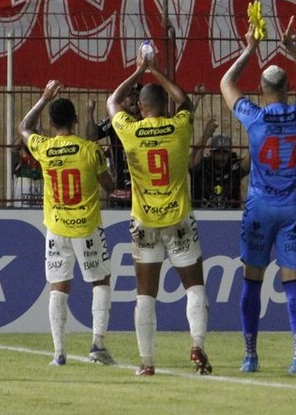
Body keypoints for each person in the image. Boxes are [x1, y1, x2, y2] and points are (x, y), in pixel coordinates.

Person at [220, 17, 296, 374]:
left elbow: (226, 83)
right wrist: (292, 48)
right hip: (294, 208)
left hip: (260, 207)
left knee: (252, 279)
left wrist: (249, 48)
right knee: (293, 281)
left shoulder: (255, 117)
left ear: (262, 90)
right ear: (288, 87)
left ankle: (250, 356)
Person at [107, 43, 211, 376]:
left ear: (139, 106)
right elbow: (185, 101)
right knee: (194, 288)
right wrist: (155, 72)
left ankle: (146, 363)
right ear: (164, 105)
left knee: (145, 296)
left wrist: (138, 70)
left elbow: (111, 101)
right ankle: (197, 347)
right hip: (179, 218)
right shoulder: (179, 127)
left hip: (145, 221)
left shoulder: (131, 131)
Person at [20, 81, 117, 366]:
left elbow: (24, 128)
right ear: (75, 120)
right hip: (86, 227)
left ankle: (59, 352)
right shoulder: (90, 150)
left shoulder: (46, 148)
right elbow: (109, 186)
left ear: (50, 122)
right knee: (100, 281)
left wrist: (43, 98)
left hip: (57, 228)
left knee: (58, 287)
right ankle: (97, 345)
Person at [190, 133, 246, 209]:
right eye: (217, 153)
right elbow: (192, 166)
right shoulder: (203, 166)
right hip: (200, 216)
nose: (221, 157)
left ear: (230, 154)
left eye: (225, 153)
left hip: (232, 217)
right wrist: (206, 135)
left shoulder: (234, 166)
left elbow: (247, 164)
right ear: (211, 153)